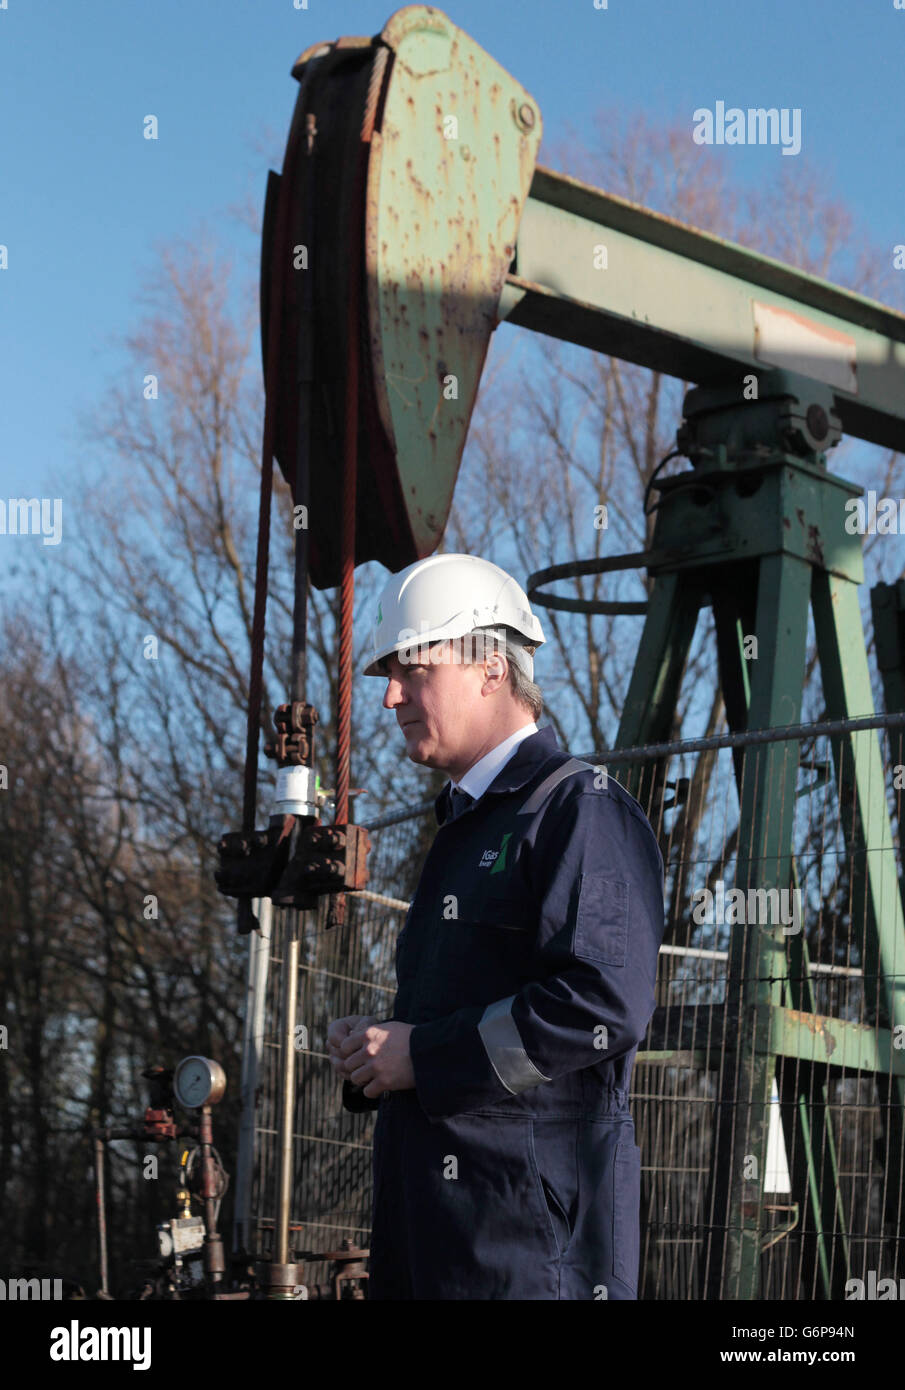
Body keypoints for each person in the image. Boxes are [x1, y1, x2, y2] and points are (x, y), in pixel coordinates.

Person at [327, 553, 665, 1300]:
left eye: (412, 669)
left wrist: (426, 1056)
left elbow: (604, 1007)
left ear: (489, 667)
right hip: (442, 1239)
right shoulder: (468, 823)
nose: (388, 698)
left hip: (527, 1253)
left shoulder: (579, 809)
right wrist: (383, 1051)